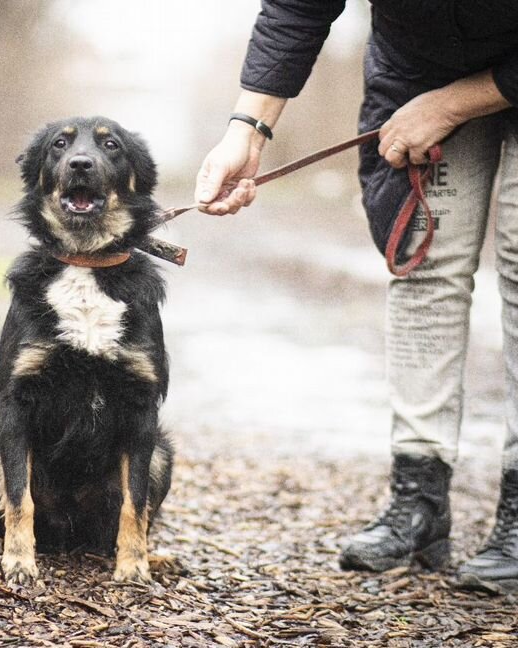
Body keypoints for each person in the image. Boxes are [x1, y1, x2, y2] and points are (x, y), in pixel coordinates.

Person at [194, 1, 518, 593]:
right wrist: (248, 129)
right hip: (421, 65)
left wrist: (450, 105)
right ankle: (419, 503)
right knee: (424, 265)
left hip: (461, 79)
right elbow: (297, 7)